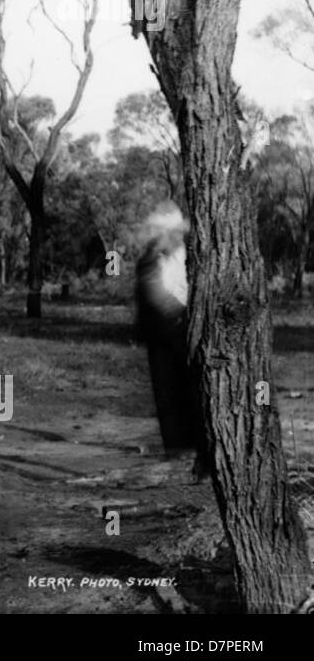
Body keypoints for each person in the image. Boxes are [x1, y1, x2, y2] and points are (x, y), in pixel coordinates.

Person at [134, 202, 210, 478]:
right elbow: (153, 298)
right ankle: (180, 457)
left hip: (189, 335)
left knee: (195, 398)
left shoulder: (193, 256)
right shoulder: (149, 261)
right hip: (163, 338)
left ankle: (203, 458)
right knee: (168, 399)